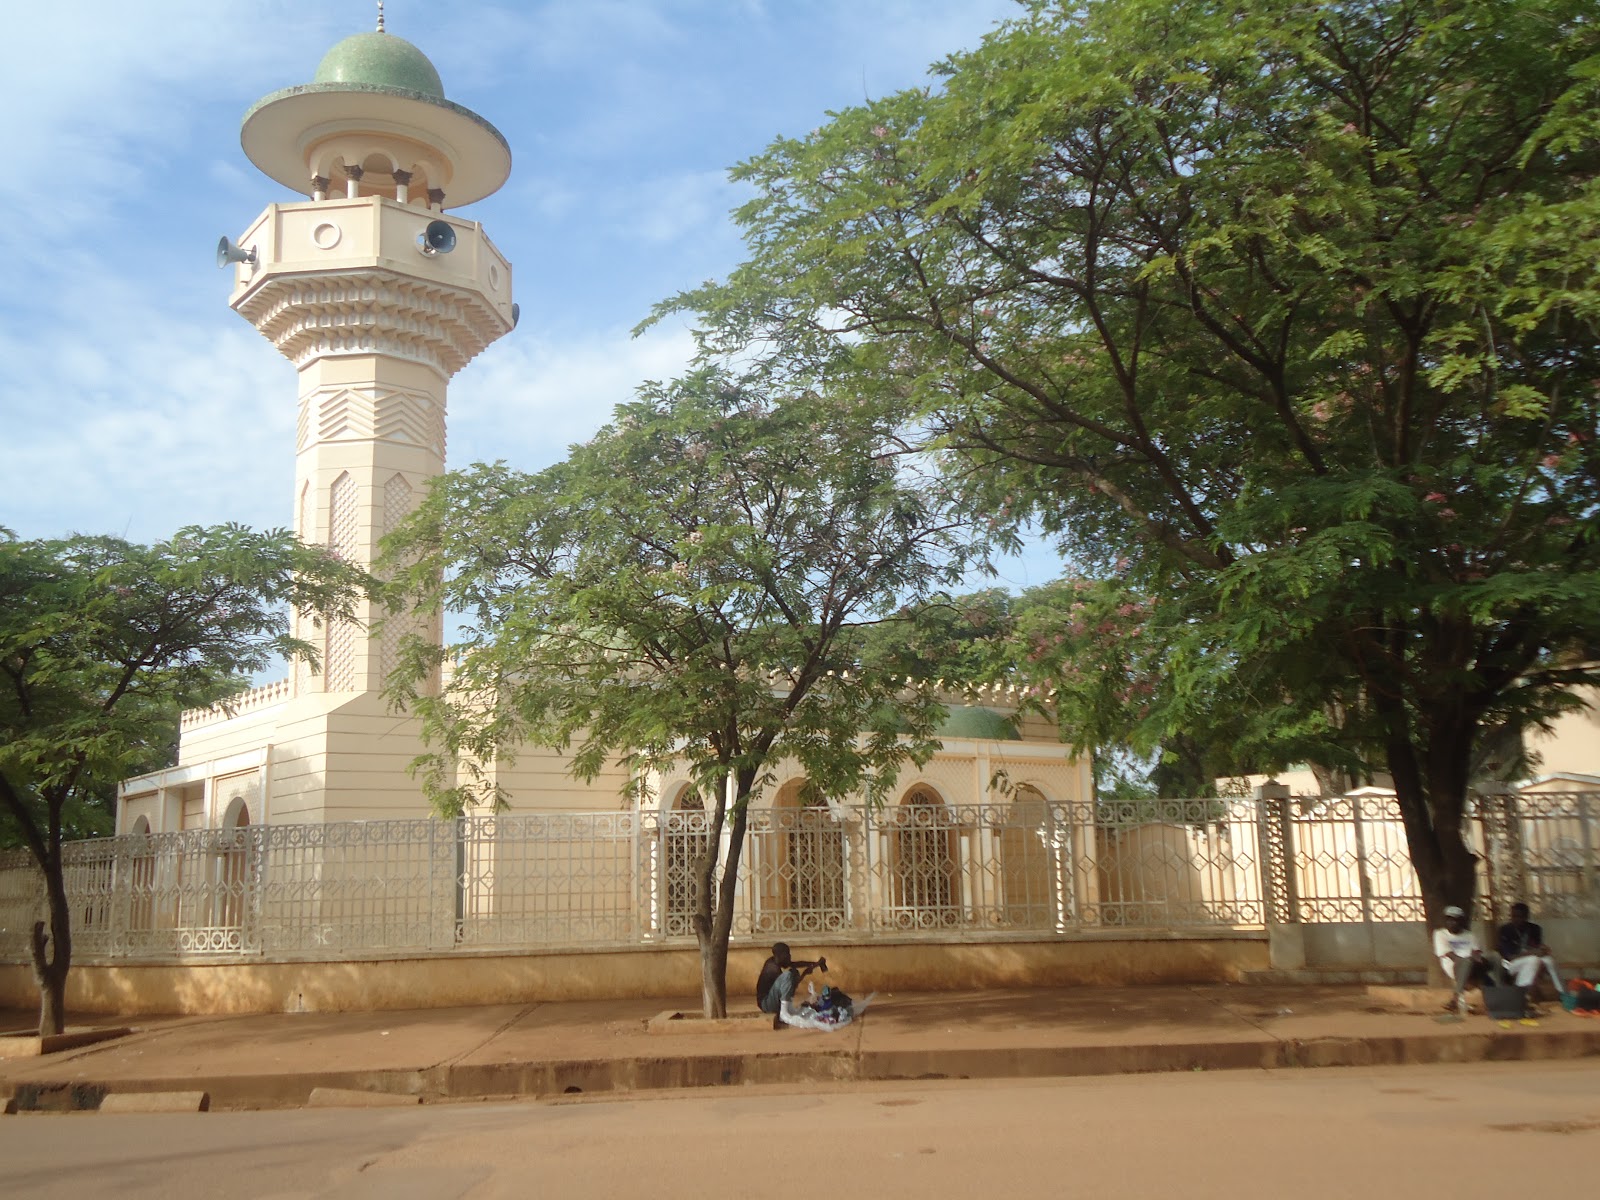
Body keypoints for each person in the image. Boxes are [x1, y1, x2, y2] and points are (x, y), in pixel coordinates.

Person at [1495, 902, 1566, 1002]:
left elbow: (1537, 947)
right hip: (1510, 964)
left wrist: (1543, 950)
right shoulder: (1505, 930)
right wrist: (1534, 952)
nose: (1516, 919)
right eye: (1513, 916)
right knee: (1533, 959)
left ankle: (1563, 993)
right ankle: (1522, 994)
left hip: (1531, 959)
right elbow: (1511, 957)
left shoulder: (1534, 929)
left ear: (1526, 917)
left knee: (1549, 960)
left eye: (1520, 916)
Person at [1432, 905, 1492, 1014]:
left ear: (1461, 921)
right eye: (1449, 920)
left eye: (1456, 920)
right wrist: (1469, 960)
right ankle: (1456, 998)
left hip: (1473, 965)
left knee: (1493, 958)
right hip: (1454, 966)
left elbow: (1476, 951)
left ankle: (1498, 1000)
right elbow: (1450, 955)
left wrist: (1478, 960)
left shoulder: (1470, 935)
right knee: (1467, 961)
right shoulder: (1440, 934)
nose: (1452, 923)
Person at [755, 942, 827, 1029]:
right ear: (780, 955)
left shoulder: (775, 960)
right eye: (787, 954)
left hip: (771, 1000)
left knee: (794, 972)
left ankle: (786, 1009)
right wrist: (804, 974)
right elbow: (789, 986)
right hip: (766, 1004)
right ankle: (784, 1013)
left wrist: (815, 963)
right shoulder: (772, 968)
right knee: (788, 975)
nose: (790, 956)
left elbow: (795, 964)